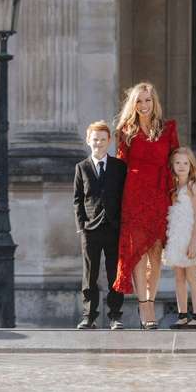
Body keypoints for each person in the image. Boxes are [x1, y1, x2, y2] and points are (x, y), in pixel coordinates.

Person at [112, 82, 179, 329]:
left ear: (154, 102)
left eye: (147, 100)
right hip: (134, 195)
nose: (143, 105)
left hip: (159, 194)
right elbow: (120, 167)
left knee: (155, 253)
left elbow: (175, 162)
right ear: (133, 104)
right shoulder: (125, 131)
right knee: (138, 252)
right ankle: (144, 306)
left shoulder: (168, 128)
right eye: (139, 101)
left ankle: (151, 298)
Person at [73, 121, 127, 330]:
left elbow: (124, 195)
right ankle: (89, 316)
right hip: (90, 229)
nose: (99, 143)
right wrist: (81, 225)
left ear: (109, 142)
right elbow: (77, 199)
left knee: (115, 273)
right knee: (90, 275)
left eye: (103, 140)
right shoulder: (81, 167)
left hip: (114, 227)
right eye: (95, 140)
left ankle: (115, 315)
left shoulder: (119, 166)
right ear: (89, 141)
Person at [163, 146, 196, 329]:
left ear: (191, 166)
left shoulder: (192, 186)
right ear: (172, 165)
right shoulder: (173, 186)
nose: (181, 166)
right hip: (176, 236)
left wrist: (194, 241)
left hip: (190, 236)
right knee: (178, 277)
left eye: (185, 163)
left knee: (191, 276)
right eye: (177, 163)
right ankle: (182, 315)